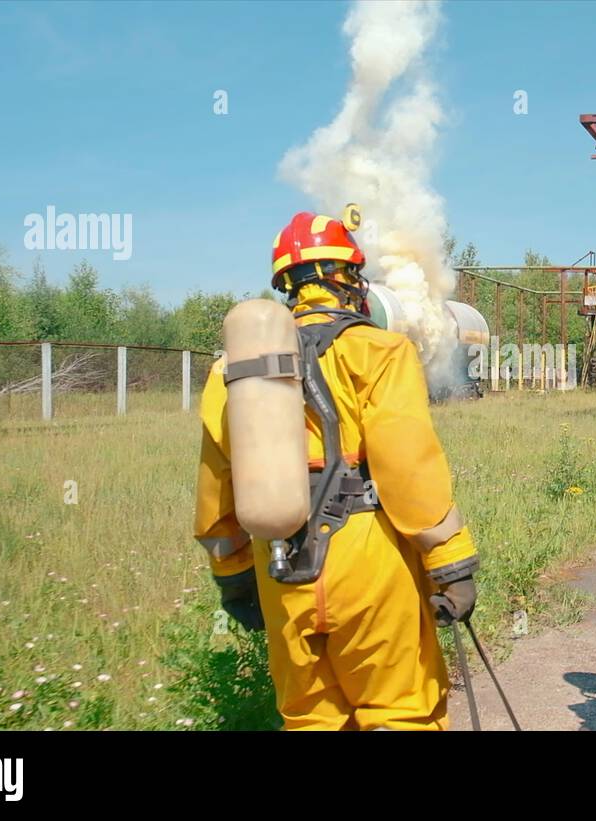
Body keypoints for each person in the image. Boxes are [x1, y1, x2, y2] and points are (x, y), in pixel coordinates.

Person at [193, 211, 480, 730]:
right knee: (400, 712)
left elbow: (218, 481)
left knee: (310, 718)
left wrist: (233, 578)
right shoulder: (382, 350)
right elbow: (407, 466)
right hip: (368, 558)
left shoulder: (229, 372)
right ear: (349, 278)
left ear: (285, 284)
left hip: (280, 562)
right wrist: (452, 562)